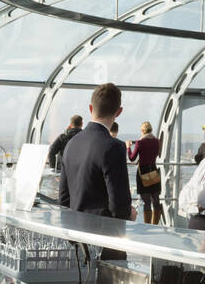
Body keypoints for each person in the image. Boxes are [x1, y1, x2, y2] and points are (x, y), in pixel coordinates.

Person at [59, 83, 135, 223]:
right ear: (119, 112)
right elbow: (119, 207)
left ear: (90, 108)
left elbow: (64, 199)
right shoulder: (114, 147)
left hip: (75, 233)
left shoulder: (71, 143)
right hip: (103, 234)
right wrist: (129, 214)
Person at [127, 121, 162, 224]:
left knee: (147, 201)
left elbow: (132, 158)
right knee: (156, 200)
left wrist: (128, 147)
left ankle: (148, 226)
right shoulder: (157, 141)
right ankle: (155, 224)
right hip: (153, 170)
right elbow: (158, 154)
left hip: (143, 172)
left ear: (142, 131)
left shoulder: (140, 142)